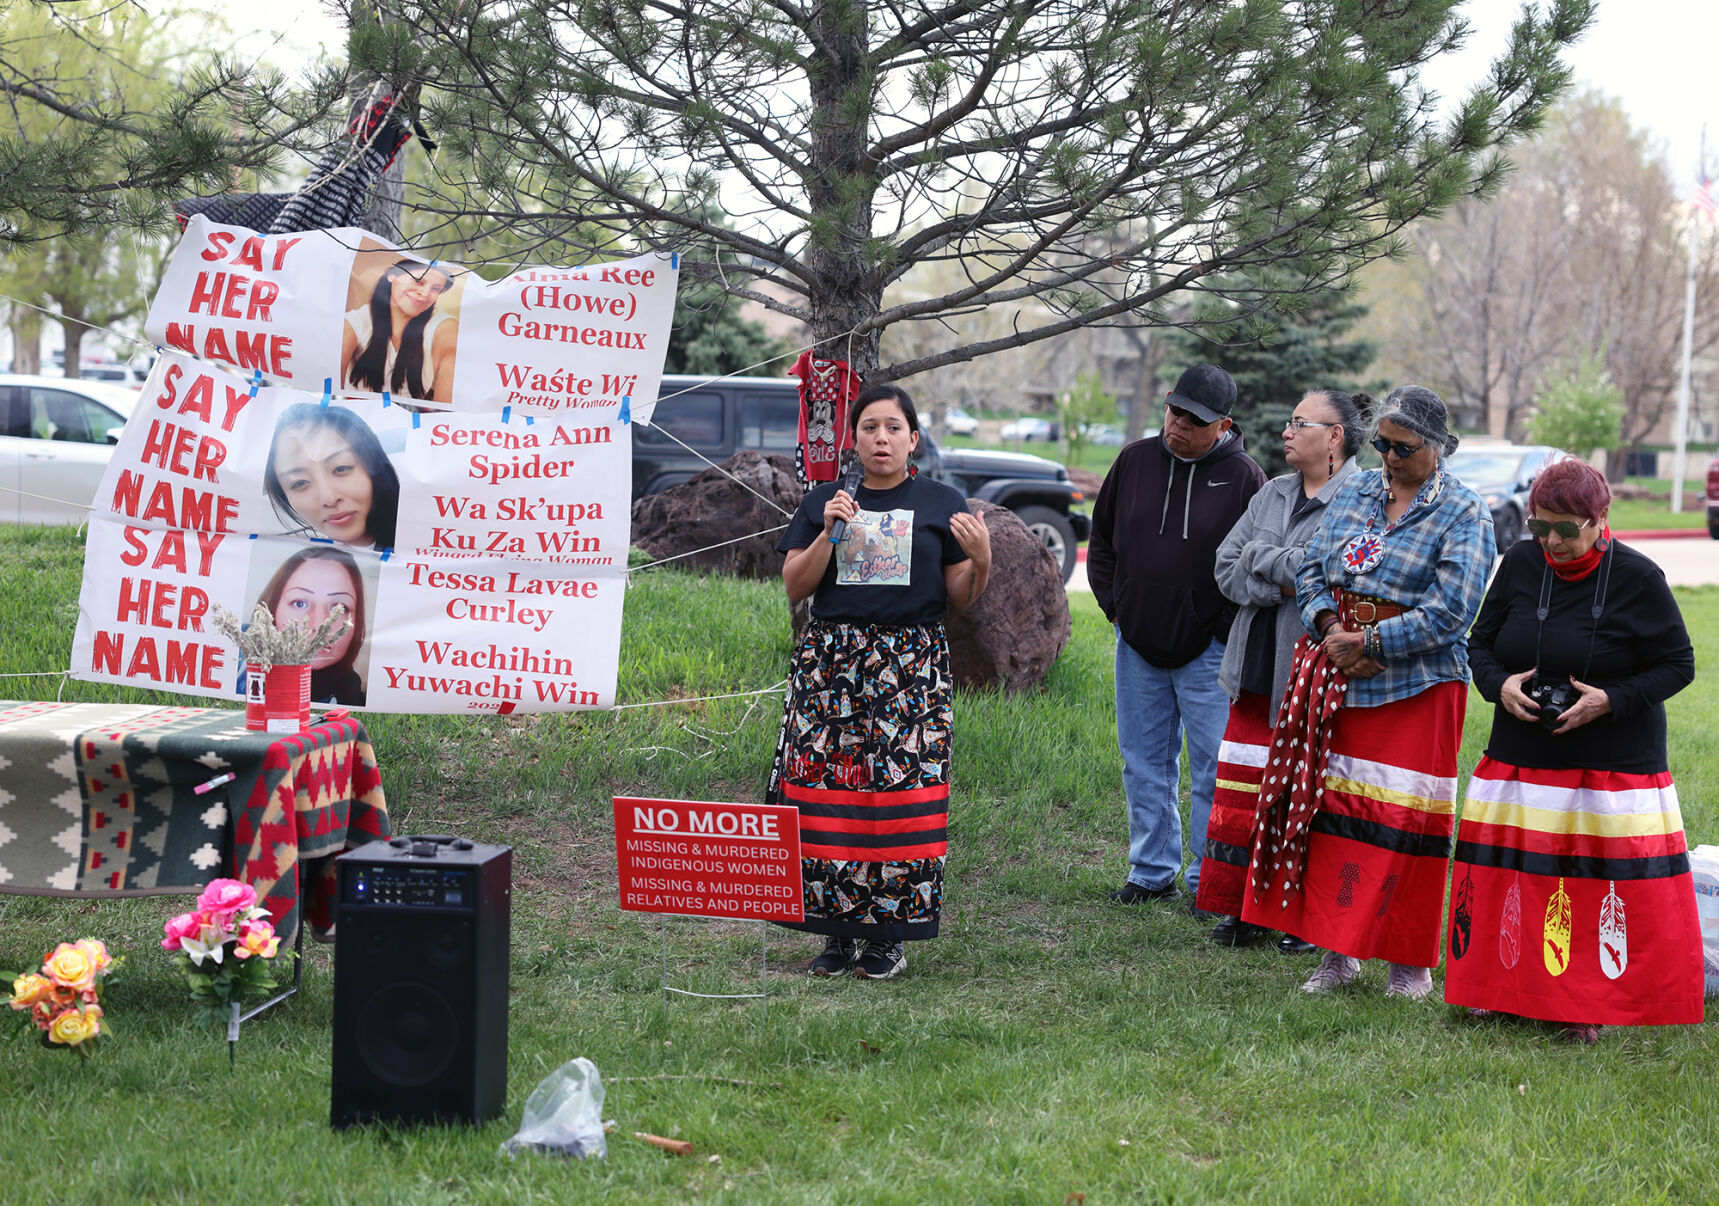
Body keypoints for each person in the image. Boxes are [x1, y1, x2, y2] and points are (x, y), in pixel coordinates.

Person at [1240, 385, 1495, 1000]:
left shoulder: (1465, 512)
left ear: (1436, 447)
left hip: (1417, 687)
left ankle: (1408, 964)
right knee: (1336, 814)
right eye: (1381, 444)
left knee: (1406, 821)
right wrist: (1332, 630)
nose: (1388, 457)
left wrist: (1373, 643)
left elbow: (1453, 610)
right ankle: (1337, 953)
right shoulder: (1355, 492)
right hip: (1338, 670)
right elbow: (1311, 569)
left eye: (1403, 448)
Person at [1444, 459, 1701, 1040]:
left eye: (1566, 528)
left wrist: (1611, 699)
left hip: (1609, 764)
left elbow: (1678, 664)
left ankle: (1582, 1004)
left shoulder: (1639, 577)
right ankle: (1501, 990)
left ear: (1601, 518)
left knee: (1588, 885)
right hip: (1518, 755)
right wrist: (1499, 685)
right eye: (1540, 526)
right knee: (1512, 877)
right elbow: (1480, 643)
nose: (1552, 542)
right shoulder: (1520, 562)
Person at [768, 383, 992, 980]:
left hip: (911, 668)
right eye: (869, 427)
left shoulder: (942, 502)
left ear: (913, 439)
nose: (881, 438)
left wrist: (983, 559)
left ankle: (888, 936)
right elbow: (796, 585)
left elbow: (962, 596)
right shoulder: (826, 501)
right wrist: (828, 533)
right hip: (832, 666)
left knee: (900, 794)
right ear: (854, 440)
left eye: (893, 427)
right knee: (828, 791)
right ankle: (836, 932)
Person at [1088, 364, 1265, 906]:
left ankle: (1206, 879)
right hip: (1136, 642)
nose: (1180, 425)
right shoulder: (1134, 460)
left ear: (1224, 425)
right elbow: (1102, 541)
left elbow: (1251, 564)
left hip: (1208, 651)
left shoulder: (1245, 477)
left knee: (1212, 767)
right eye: (1175, 411)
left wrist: (1219, 629)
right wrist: (1117, 609)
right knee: (1143, 762)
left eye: (1195, 419)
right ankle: (1151, 870)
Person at [1197, 389, 1367, 950]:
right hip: (1250, 671)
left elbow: (1338, 575)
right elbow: (1226, 566)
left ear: (1335, 436)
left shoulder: (1363, 498)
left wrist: (1263, 560)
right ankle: (1242, 908)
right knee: (1242, 794)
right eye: (1290, 421)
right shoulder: (1272, 492)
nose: (1286, 431)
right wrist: (1282, 580)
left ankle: (1297, 917)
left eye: (1300, 423)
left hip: (1313, 677)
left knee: (1303, 795)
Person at [264, 404, 400, 549]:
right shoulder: (296, 560)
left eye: (341, 468)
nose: (329, 499)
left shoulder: (415, 539)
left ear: (373, 463)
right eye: (299, 483)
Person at [256, 546, 369, 706]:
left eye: (340, 608)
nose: (320, 625)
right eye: (300, 603)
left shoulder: (353, 696)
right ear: (272, 609)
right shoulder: (241, 667)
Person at [342, 259, 458, 405]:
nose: (425, 293)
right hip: (356, 414)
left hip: (414, 417)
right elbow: (329, 389)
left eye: (435, 289)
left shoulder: (444, 326)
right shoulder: (357, 322)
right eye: (418, 281)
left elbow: (445, 408)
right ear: (392, 276)